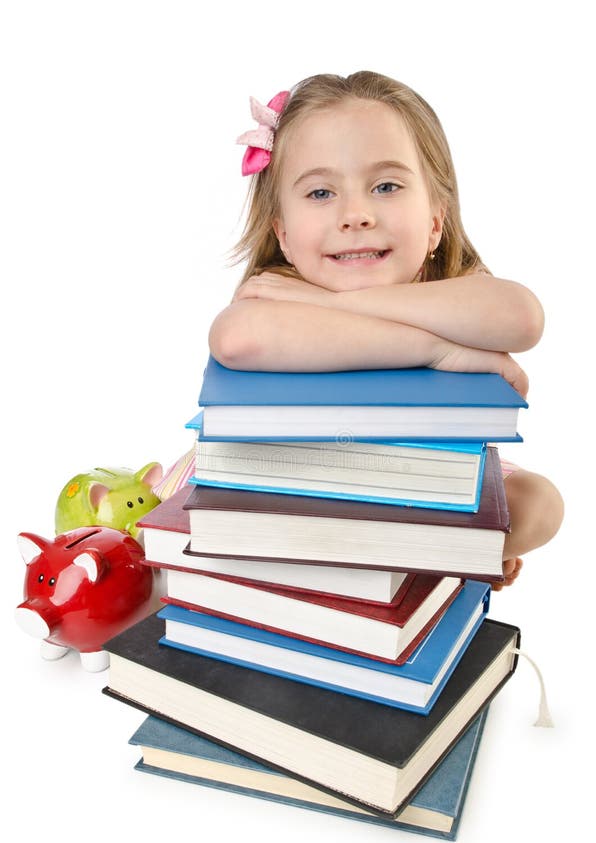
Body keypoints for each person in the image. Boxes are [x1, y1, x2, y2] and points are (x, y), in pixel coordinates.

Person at [166, 71, 564, 589]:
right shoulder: (276, 291)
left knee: (541, 503)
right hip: (282, 475)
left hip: (423, 470)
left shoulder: (447, 290)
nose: (356, 214)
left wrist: (335, 299)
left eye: (386, 186)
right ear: (282, 234)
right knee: (168, 517)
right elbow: (238, 339)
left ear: (436, 221)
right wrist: (440, 349)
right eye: (321, 192)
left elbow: (522, 317)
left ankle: (411, 557)